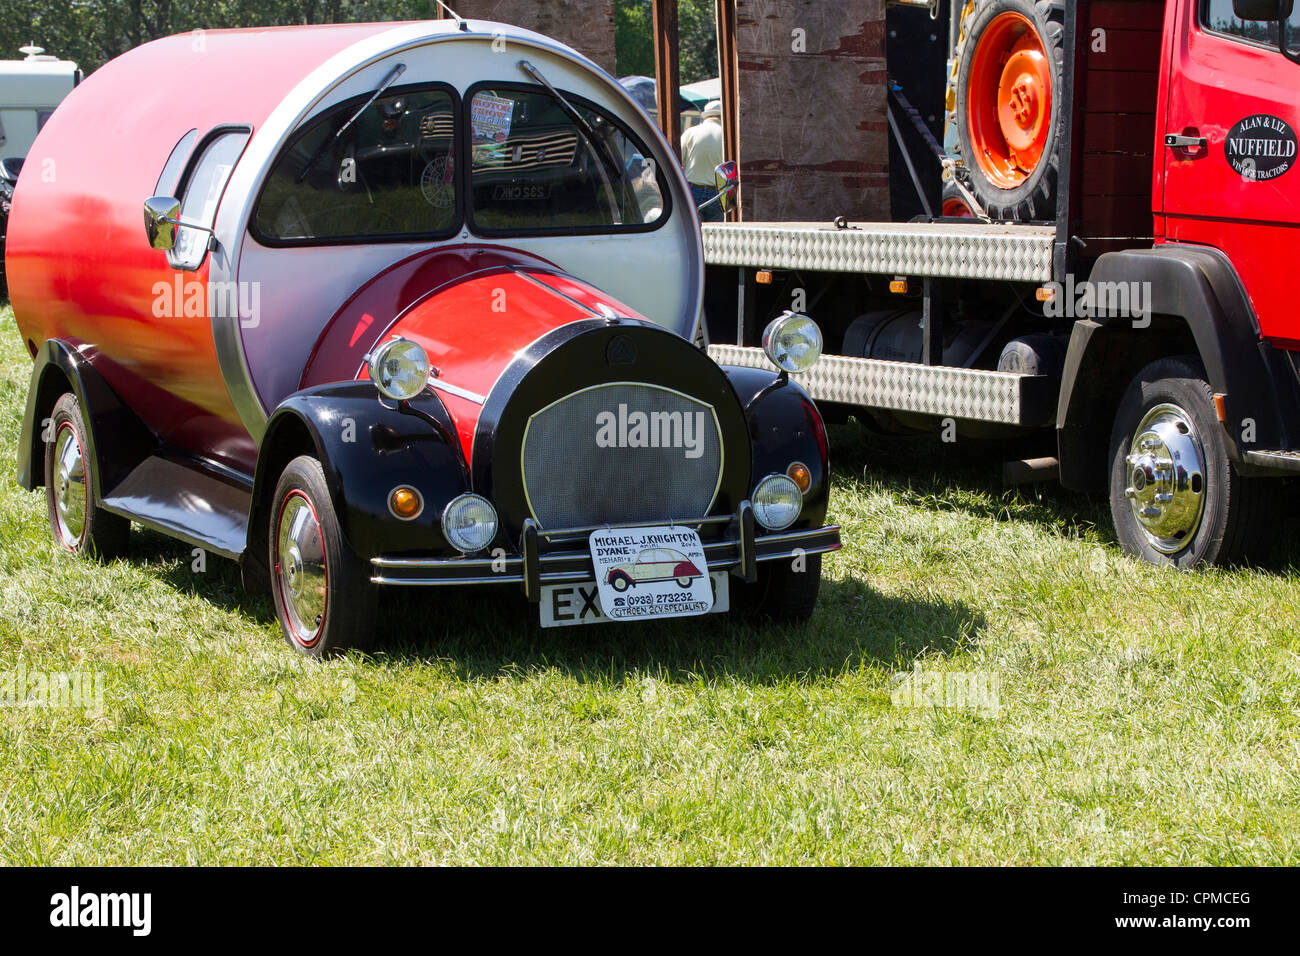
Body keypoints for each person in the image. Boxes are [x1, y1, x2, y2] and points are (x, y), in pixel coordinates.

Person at [681, 100, 724, 222]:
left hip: (693, 190)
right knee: (715, 235)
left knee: (694, 233)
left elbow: (677, 160)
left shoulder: (690, 133)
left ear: (706, 115)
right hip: (718, 193)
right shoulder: (726, 134)